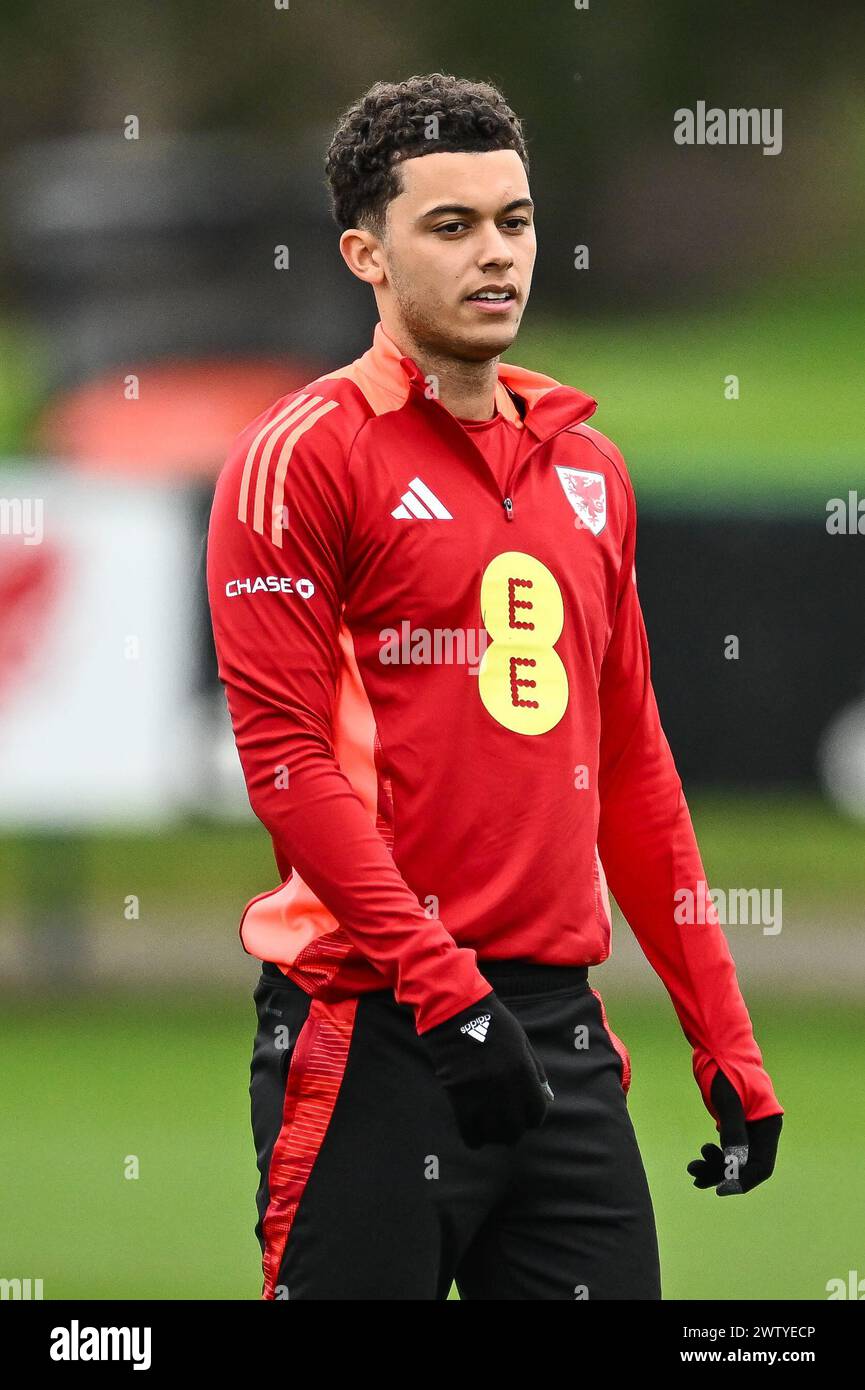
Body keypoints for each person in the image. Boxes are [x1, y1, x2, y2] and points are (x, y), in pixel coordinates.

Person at [206, 72, 783, 1301]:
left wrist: (723, 1040)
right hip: (372, 1018)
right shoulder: (299, 457)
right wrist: (441, 989)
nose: (496, 255)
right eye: (451, 226)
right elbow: (286, 766)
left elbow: (631, 768)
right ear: (365, 252)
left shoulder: (589, 467)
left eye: (513, 222)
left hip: (556, 1036)